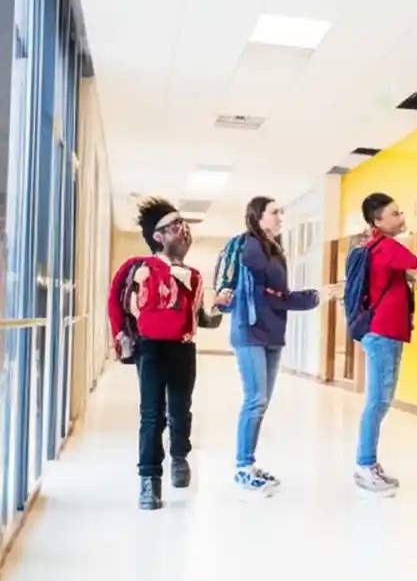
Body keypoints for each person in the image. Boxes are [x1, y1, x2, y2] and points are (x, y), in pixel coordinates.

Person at [107, 198, 221, 510]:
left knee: (181, 411)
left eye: (185, 226)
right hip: (151, 348)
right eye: (175, 227)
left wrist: (220, 308)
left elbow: (201, 319)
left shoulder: (195, 276)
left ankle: (180, 456)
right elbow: (115, 303)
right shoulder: (140, 268)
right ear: (158, 236)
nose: (184, 232)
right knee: (151, 414)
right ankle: (149, 480)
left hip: (183, 349)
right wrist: (121, 337)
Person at [219, 197, 322, 497]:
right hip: (250, 332)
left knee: (261, 402)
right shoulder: (251, 247)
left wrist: (314, 296)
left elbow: (280, 295)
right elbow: (268, 293)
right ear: (257, 217)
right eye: (274, 212)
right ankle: (243, 467)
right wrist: (311, 297)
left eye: (281, 212)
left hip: (273, 333)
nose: (280, 217)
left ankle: (248, 464)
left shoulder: (274, 251)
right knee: (255, 399)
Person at [353, 192, 417, 496]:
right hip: (384, 333)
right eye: (395, 214)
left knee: (379, 400)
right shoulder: (387, 248)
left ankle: (367, 462)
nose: (402, 218)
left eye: (401, 212)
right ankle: (365, 464)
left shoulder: (377, 247)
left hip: (383, 332)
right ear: (378, 221)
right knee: (378, 401)